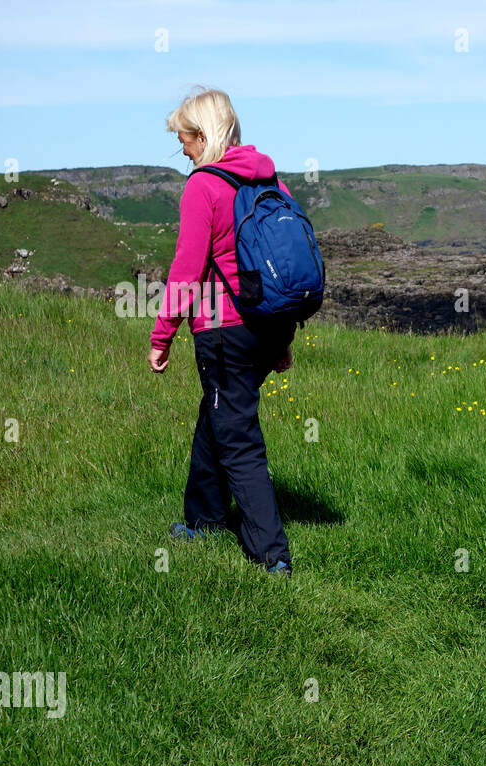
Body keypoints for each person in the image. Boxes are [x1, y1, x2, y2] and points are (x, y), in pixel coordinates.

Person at [148, 87, 296, 576]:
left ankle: (272, 556)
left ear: (204, 135)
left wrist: (161, 335)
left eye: (185, 139)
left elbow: (186, 271)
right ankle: (205, 520)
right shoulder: (270, 180)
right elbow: (286, 267)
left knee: (238, 437)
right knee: (216, 413)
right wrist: (283, 341)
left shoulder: (203, 186)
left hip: (224, 330)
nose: (183, 150)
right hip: (266, 325)